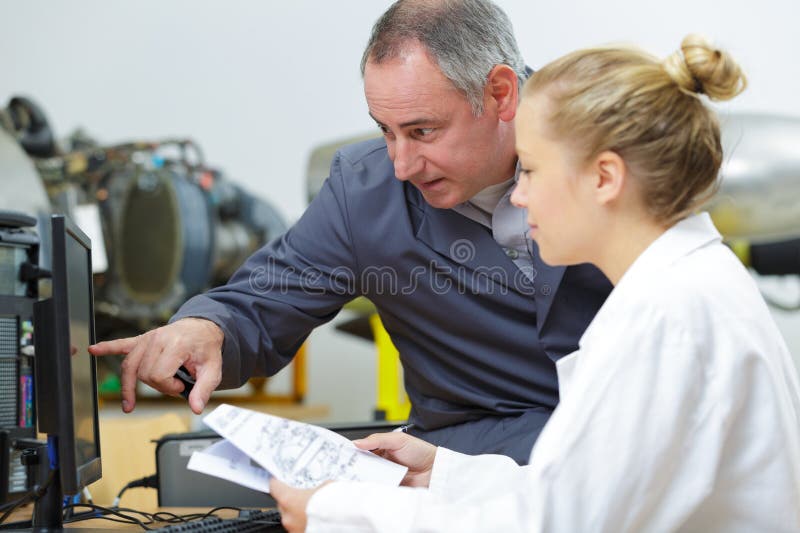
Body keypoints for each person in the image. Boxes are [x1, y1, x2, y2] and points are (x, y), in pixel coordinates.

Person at [268, 35, 800, 532]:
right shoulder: (682, 285)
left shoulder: (662, 317)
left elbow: (552, 523)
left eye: (533, 172)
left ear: (604, 178)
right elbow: (584, 489)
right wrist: (439, 472)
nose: (518, 197)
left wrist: (337, 508)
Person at [89, 0, 611, 465]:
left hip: (628, 453)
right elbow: (264, 300)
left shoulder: (615, 145)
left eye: (422, 131)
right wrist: (208, 328)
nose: (402, 163)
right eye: (386, 131)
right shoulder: (364, 191)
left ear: (500, 94)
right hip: (463, 467)